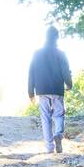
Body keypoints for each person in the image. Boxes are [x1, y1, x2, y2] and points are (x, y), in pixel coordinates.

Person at [28, 25, 74, 153]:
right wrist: (69, 84)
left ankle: (49, 147)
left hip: (42, 90)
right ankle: (58, 134)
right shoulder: (61, 54)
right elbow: (66, 71)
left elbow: (31, 73)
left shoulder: (36, 53)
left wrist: (31, 92)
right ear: (57, 38)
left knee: (45, 118)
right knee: (59, 115)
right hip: (57, 89)